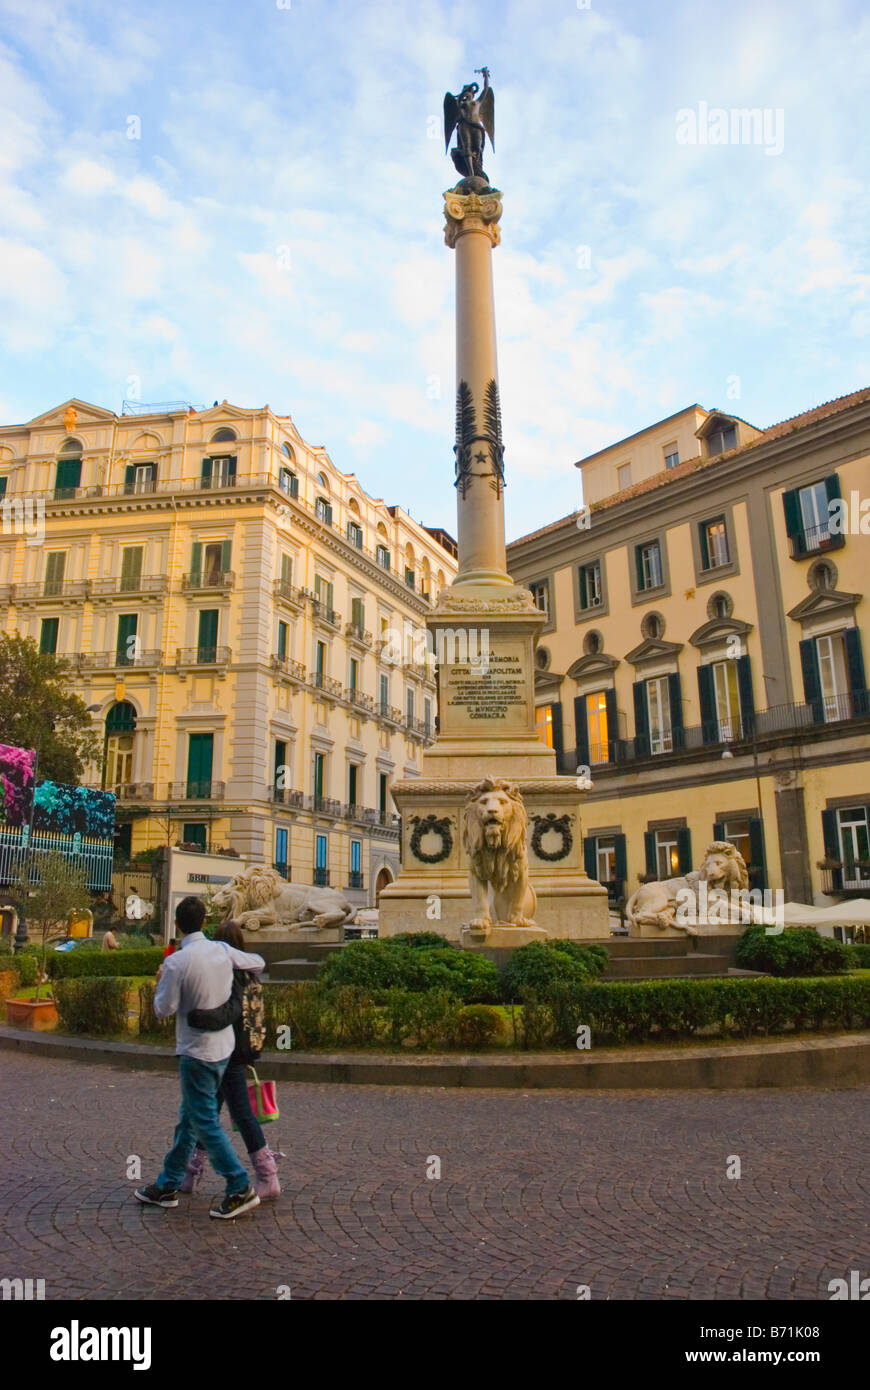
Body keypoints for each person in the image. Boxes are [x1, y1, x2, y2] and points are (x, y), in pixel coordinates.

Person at [134, 896, 265, 1220]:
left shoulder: (179, 962)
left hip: (196, 1052)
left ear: (177, 925)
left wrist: (162, 976)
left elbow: (162, 1010)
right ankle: (168, 1183)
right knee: (190, 1119)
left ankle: (239, 1185)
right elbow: (257, 962)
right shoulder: (221, 951)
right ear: (204, 922)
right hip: (224, 1049)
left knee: (205, 1122)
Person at [180, 921, 280, 1201]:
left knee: (234, 1114)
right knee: (208, 1114)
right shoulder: (250, 973)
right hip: (239, 1051)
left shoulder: (232, 975)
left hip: (228, 1053)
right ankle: (191, 1171)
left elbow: (230, 1013)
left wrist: (197, 1017)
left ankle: (267, 1175)